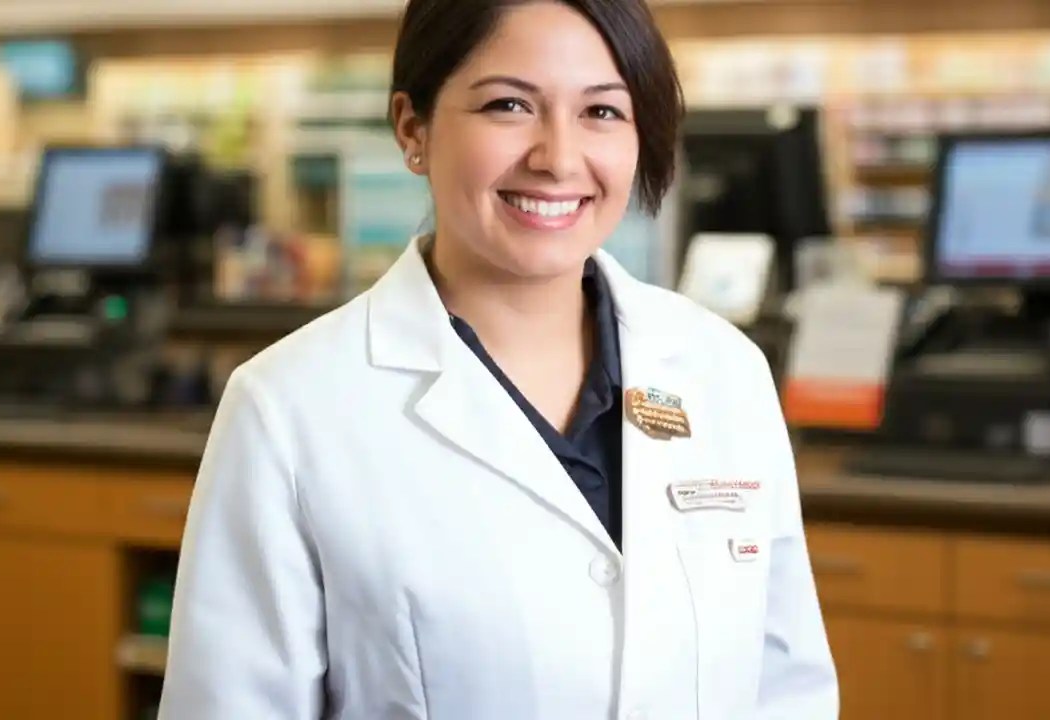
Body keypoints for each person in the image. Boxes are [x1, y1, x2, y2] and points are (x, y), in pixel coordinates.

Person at [159, 0, 838, 717]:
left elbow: (787, 691)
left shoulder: (724, 371)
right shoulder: (289, 409)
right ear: (412, 128)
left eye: (602, 112)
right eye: (509, 105)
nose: (558, 158)